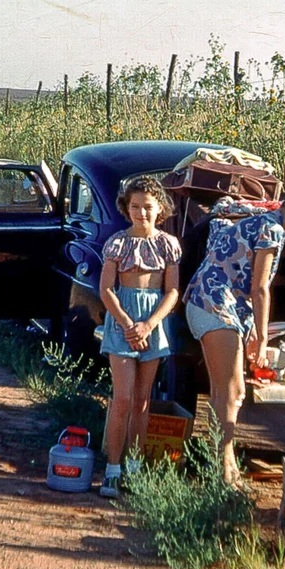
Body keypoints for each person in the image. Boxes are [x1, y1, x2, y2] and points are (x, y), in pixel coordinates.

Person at [183, 181, 285, 482]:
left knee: (230, 393)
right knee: (229, 392)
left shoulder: (267, 224)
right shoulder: (271, 230)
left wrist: (250, 330)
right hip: (212, 303)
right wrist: (262, 339)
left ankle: (222, 464)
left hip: (221, 306)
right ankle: (222, 470)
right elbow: (260, 289)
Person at [98, 176, 182, 498]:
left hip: (154, 323)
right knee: (122, 400)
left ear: (159, 208)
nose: (141, 213)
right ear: (126, 208)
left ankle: (134, 468)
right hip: (122, 321)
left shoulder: (168, 244)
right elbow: (106, 289)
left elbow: (172, 291)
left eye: (148, 207)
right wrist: (128, 324)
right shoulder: (117, 243)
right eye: (135, 206)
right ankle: (112, 469)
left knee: (143, 401)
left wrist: (148, 325)